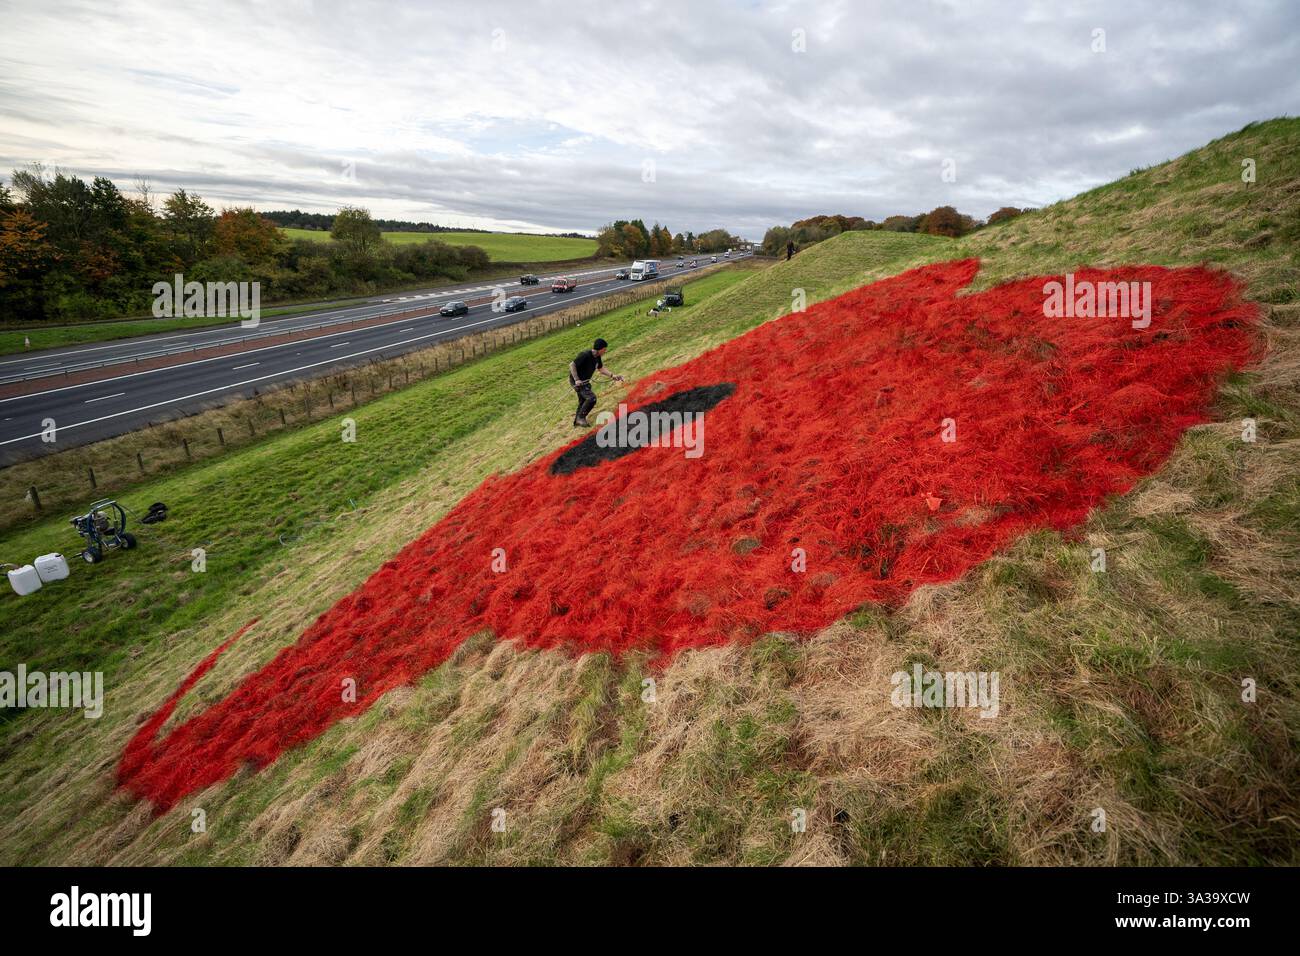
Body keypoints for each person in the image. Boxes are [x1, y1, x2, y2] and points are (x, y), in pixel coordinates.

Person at [569, 338, 625, 427]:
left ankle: (577, 421)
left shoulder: (597, 357)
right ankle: (580, 418)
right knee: (591, 398)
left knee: (583, 400)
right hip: (578, 381)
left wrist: (613, 375)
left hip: (585, 381)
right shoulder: (585, 355)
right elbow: (572, 365)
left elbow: (601, 368)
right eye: (605, 349)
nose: (605, 351)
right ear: (601, 349)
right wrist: (576, 379)